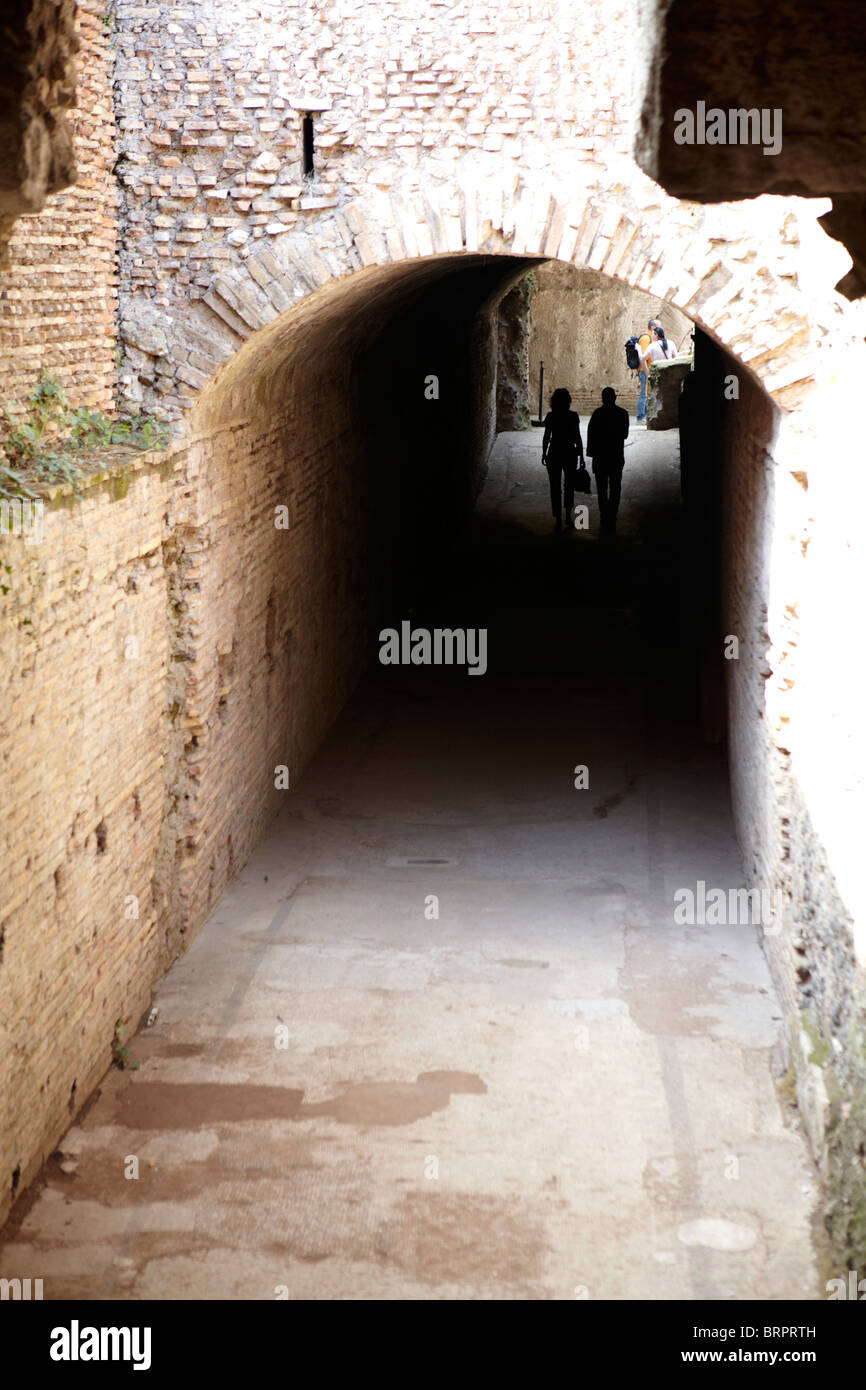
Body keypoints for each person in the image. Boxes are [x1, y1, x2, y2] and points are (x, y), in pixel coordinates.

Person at [587, 386, 630, 531]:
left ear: (602, 399)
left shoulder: (597, 414)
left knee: (602, 488)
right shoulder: (622, 414)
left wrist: (591, 454)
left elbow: (591, 435)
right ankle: (612, 513)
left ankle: (604, 514)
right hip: (616, 456)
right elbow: (625, 435)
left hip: (600, 457)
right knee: (615, 487)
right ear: (615, 398)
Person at [541, 387, 584, 530]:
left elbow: (547, 436)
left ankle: (558, 517)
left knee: (555, 486)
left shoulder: (551, 416)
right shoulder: (573, 416)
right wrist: (581, 456)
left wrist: (544, 453)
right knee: (569, 486)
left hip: (554, 452)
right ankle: (568, 516)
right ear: (568, 401)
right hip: (570, 452)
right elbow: (577, 437)